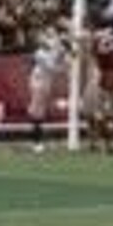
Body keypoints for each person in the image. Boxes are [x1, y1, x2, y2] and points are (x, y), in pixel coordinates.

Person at [26, 23, 69, 154]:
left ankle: (38, 141)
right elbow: (52, 68)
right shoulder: (39, 53)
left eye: (52, 34)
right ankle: (37, 142)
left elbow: (62, 55)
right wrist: (65, 67)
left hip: (46, 82)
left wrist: (65, 51)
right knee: (36, 112)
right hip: (38, 82)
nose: (50, 38)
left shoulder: (55, 48)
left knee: (40, 111)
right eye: (48, 35)